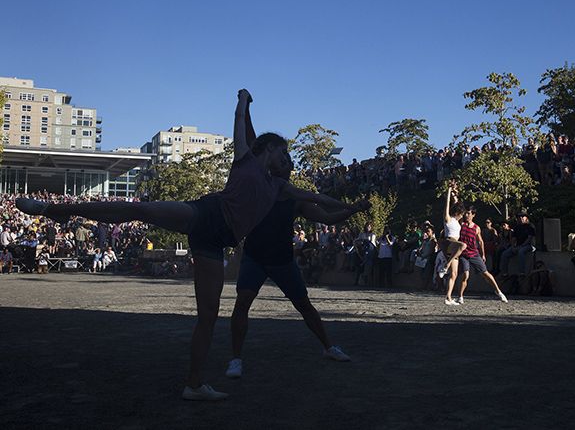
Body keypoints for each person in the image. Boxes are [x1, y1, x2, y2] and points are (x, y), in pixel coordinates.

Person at [15, 89, 357, 401]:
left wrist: (351, 208)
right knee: (141, 209)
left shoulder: (281, 189)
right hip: (202, 215)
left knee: (208, 316)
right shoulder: (246, 161)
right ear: (267, 151)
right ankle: (55, 210)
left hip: (216, 243)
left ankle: (193, 384)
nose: (288, 160)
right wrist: (243, 101)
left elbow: (317, 197)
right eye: (283, 153)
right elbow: (241, 125)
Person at [226, 160, 369, 379]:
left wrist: (352, 210)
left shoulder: (295, 199)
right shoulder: (257, 191)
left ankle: (328, 347)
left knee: (303, 304)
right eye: (278, 162)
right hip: (254, 256)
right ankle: (236, 359)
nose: (281, 167)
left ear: (289, 170)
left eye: (285, 163)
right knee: (243, 301)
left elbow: (327, 217)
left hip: (282, 259)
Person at [454, 206, 508, 304]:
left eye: (469, 213)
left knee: (485, 273)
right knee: (465, 274)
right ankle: (460, 296)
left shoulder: (476, 228)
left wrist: (482, 255)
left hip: (474, 253)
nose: (466, 215)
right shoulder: (461, 224)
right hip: (463, 253)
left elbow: (481, 242)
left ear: (473, 215)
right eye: (466, 213)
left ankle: (499, 291)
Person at [440, 182, 467, 306]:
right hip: (449, 242)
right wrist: (449, 191)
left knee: (454, 274)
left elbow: (457, 204)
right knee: (463, 245)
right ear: (456, 213)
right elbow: (447, 205)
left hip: (454, 248)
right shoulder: (448, 219)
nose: (462, 215)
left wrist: (456, 193)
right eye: (460, 213)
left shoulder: (457, 221)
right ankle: (446, 265)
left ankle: (448, 297)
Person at [499, 212, 536, 277]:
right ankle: (504, 273)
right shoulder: (517, 227)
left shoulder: (530, 226)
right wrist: (513, 246)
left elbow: (529, 238)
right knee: (505, 254)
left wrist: (522, 246)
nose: (520, 218)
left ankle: (522, 272)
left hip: (529, 245)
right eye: (519, 217)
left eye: (522, 217)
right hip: (518, 245)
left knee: (521, 252)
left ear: (526, 218)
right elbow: (513, 238)